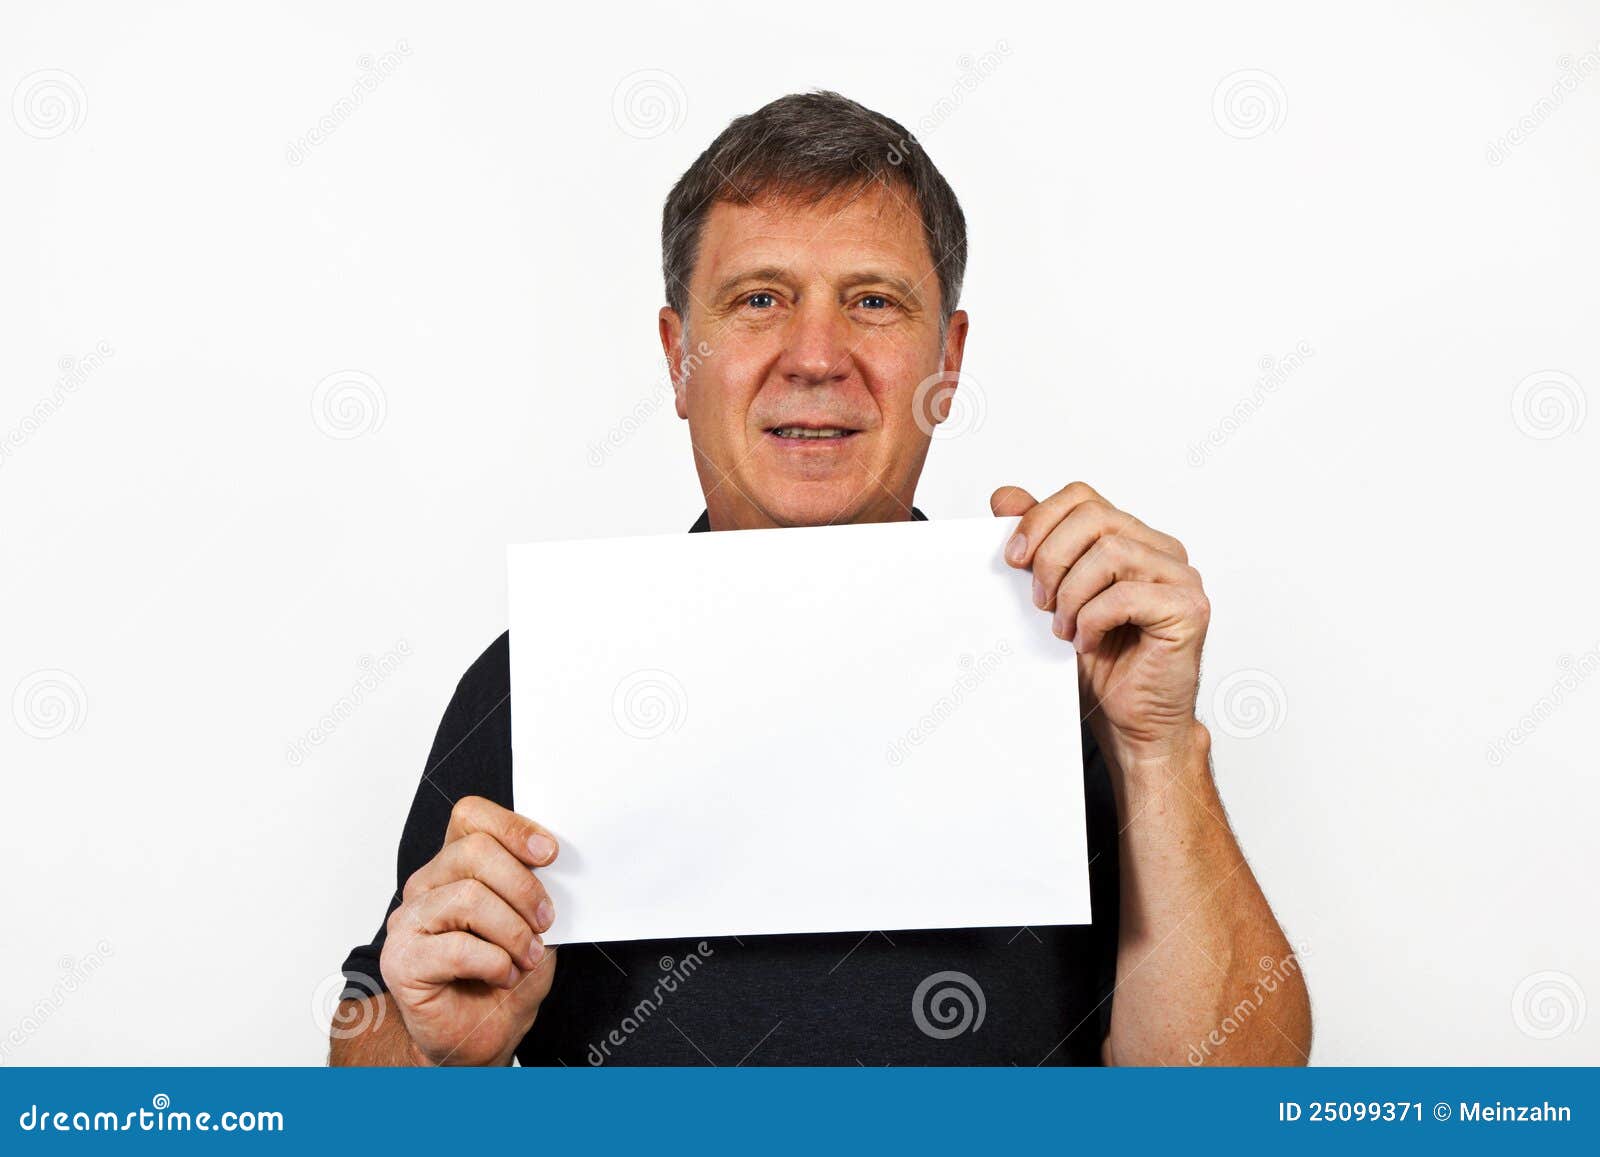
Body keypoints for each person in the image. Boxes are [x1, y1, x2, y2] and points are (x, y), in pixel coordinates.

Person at [330, 91, 1311, 1066]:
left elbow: (1236, 1108)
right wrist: (431, 1049)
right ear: (680, 360)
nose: (815, 356)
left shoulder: (1082, 661)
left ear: (947, 358)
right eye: (759, 298)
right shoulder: (533, 679)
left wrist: (1159, 748)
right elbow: (363, 1068)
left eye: (872, 301)